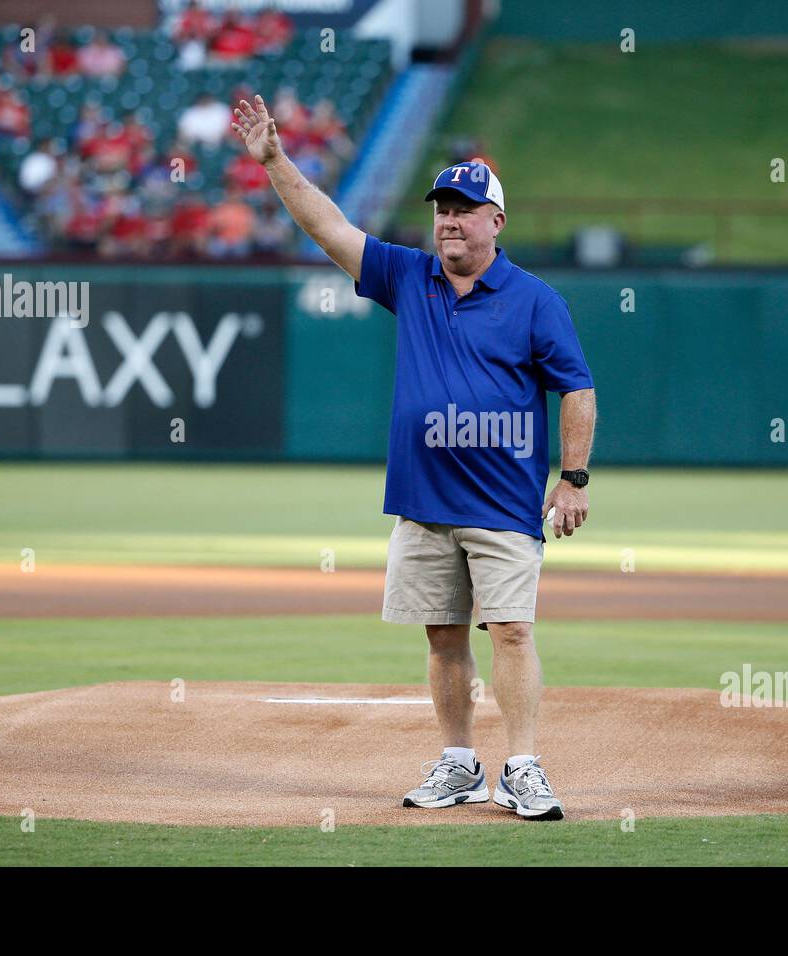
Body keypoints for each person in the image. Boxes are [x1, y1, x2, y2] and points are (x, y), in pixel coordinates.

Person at [231, 95, 596, 821]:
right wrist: (275, 162)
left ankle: (521, 766)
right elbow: (327, 226)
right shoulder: (409, 276)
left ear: (497, 222)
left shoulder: (534, 299)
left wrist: (574, 478)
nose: (449, 220)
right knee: (442, 637)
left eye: (464, 208)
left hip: (502, 505)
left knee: (514, 629)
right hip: (423, 503)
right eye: (441, 208)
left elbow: (576, 390)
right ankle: (459, 763)